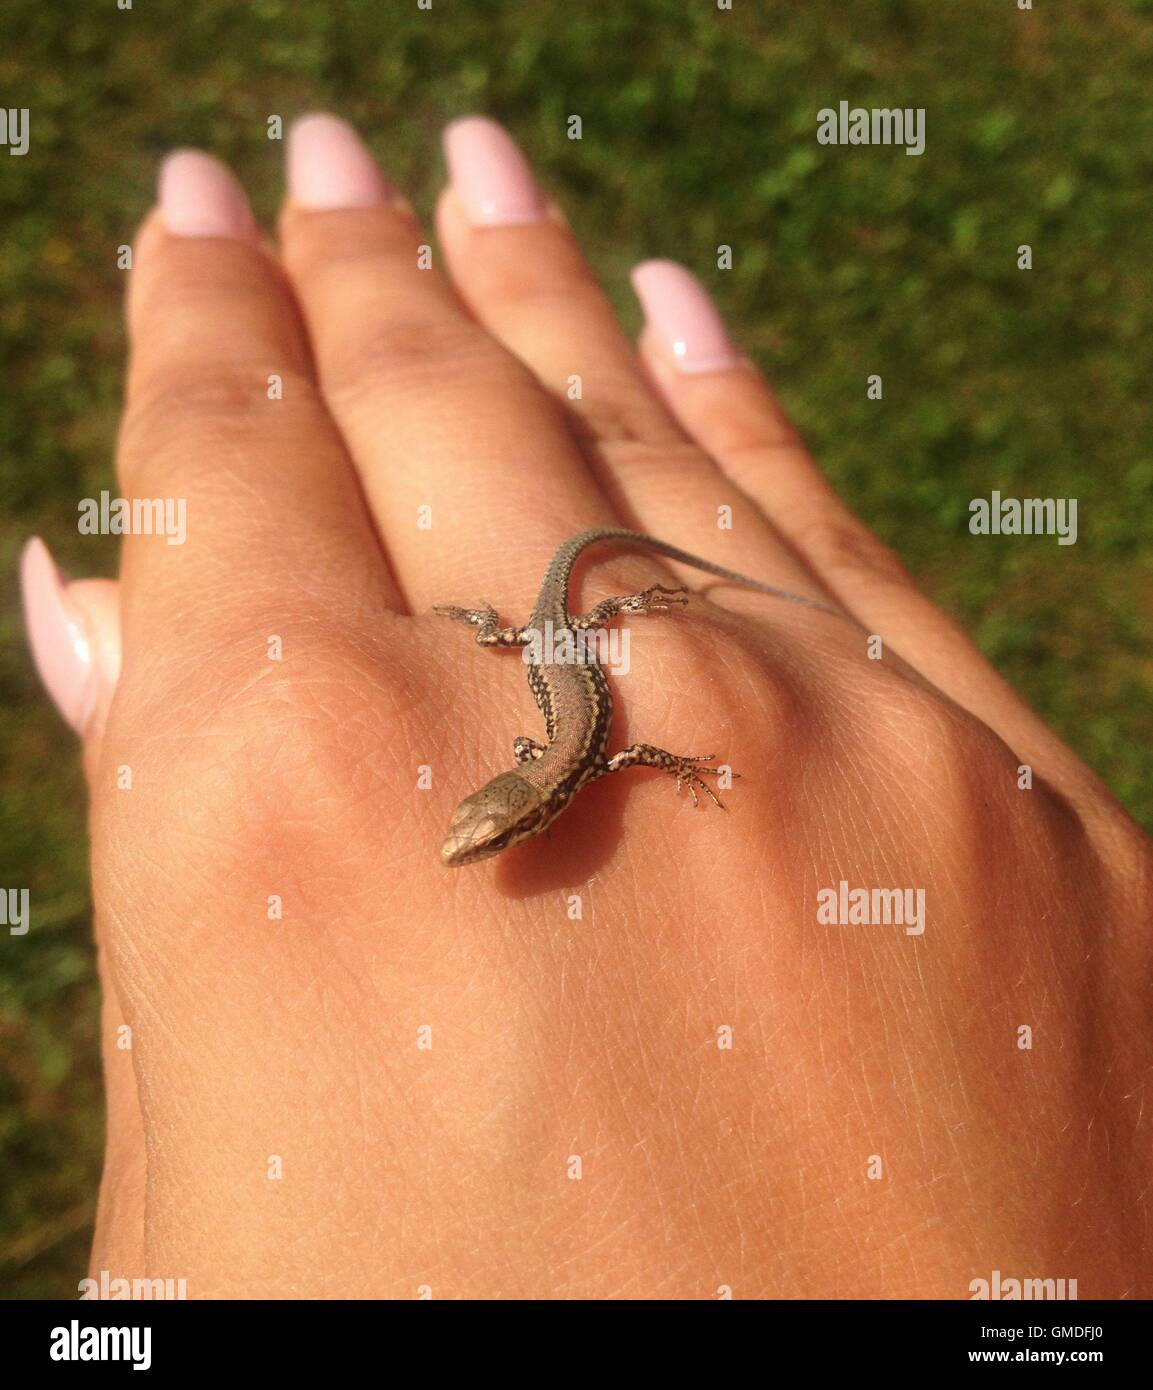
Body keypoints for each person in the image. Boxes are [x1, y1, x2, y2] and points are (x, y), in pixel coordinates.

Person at [20, 115, 1152, 1299]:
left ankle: (615, 589)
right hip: (552, 637)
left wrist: (691, 767)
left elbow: (615, 750)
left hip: (565, 630)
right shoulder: (555, 769)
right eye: (490, 825)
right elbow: (574, 747)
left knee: (563, 620)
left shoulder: (572, 772)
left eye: (491, 829)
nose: (485, 841)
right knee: (541, 630)